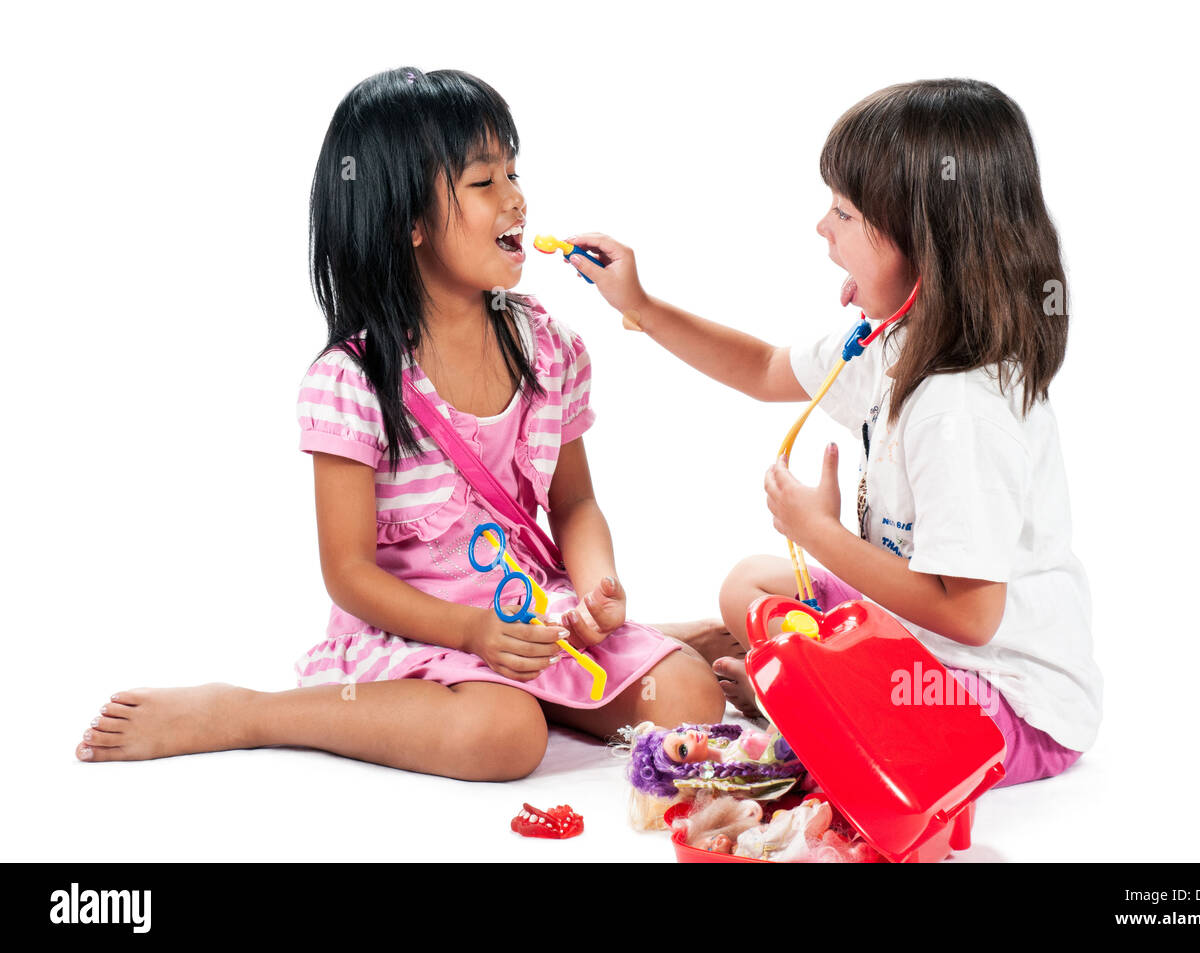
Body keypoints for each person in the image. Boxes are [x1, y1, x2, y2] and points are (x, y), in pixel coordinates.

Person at [74, 68, 723, 781]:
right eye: (484, 181)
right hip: (417, 626)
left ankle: (569, 668)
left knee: (691, 695)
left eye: (513, 169)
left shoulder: (551, 347)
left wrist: (597, 586)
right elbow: (347, 572)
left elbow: (574, 503)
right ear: (406, 222)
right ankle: (248, 711)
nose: (516, 197)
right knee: (504, 735)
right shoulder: (351, 380)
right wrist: (473, 631)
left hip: (526, 611)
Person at [562, 79, 1102, 787]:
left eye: (844, 213)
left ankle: (794, 697)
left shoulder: (959, 409)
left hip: (999, 699)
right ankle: (789, 686)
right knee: (747, 584)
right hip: (916, 643)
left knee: (872, 730)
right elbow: (760, 367)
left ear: (922, 246)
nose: (822, 227)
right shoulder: (891, 340)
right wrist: (639, 304)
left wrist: (818, 534)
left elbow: (971, 615)